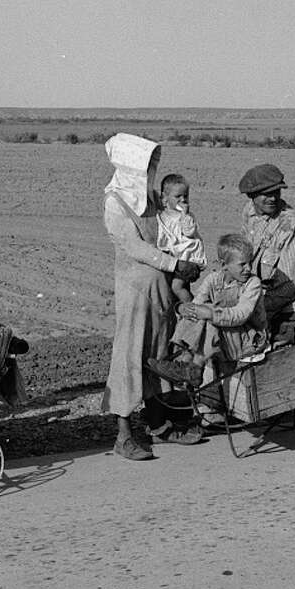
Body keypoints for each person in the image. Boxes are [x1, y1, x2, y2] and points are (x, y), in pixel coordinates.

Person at [100, 134, 204, 460]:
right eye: (147, 164)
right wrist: (176, 264)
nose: (151, 170)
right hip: (134, 292)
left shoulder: (147, 198)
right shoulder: (116, 203)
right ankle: (123, 434)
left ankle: (159, 424)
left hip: (160, 290)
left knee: (158, 354)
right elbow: (135, 247)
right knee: (130, 357)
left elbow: (170, 230)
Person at [151, 233, 267, 428]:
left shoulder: (252, 284)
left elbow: (241, 315)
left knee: (210, 317)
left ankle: (192, 367)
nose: (248, 269)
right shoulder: (214, 279)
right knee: (200, 312)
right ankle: (185, 363)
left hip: (249, 337)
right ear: (223, 264)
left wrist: (210, 313)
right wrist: (185, 308)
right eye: (242, 265)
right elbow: (198, 302)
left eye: (249, 263)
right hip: (226, 336)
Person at [239, 163, 295, 329]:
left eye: (276, 192)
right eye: (266, 193)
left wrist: (253, 308)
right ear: (252, 195)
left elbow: (290, 286)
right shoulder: (249, 211)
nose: (273, 198)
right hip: (249, 293)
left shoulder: (290, 223)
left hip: (272, 302)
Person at [155, 173, 206, 303]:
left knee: (177, 287)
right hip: (173, 259)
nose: (183, 199)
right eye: (178, 196)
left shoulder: (187, 217)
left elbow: (189, 232)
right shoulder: (162, 217)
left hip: (188, 259)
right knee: (168, 290)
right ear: (165, 199)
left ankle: (193, 309)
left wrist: (185, 214)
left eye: (186, 196)